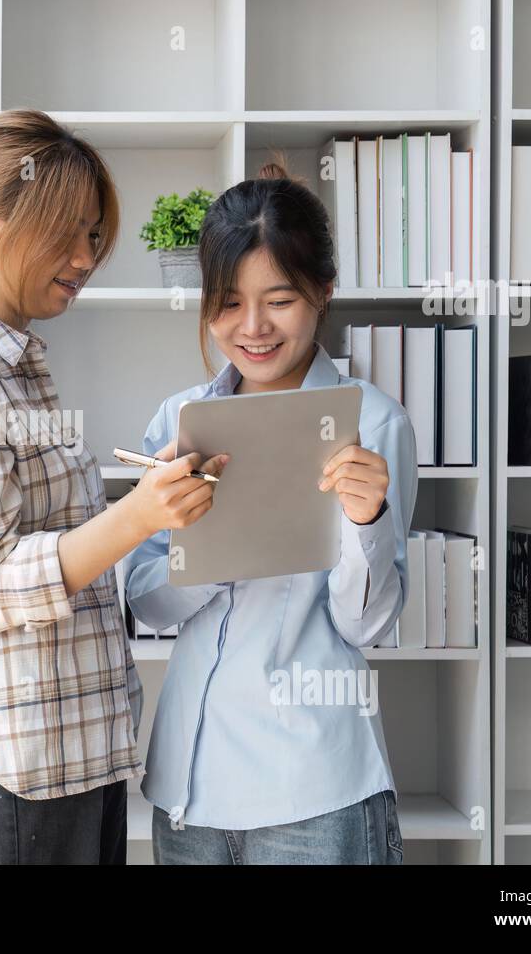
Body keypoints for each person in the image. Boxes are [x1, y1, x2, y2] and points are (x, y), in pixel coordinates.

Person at [0, 109, 229, 864]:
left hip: (59, 753)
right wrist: (138, 516)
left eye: (93, 234)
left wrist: (149, 492)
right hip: (11, 767)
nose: (85, 256)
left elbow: (47, 533)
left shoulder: (13, 362)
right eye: (63, 233)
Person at [127, 162, 417, 865]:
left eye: (279, 300)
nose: (251, 328)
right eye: (227, 303)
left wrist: (366, 521)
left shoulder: (373, 425)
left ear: (323, 291)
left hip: (313, 791)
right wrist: (202, 544)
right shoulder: (179, 418)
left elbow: (366, 624)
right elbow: (148, 605)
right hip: (188, 789)